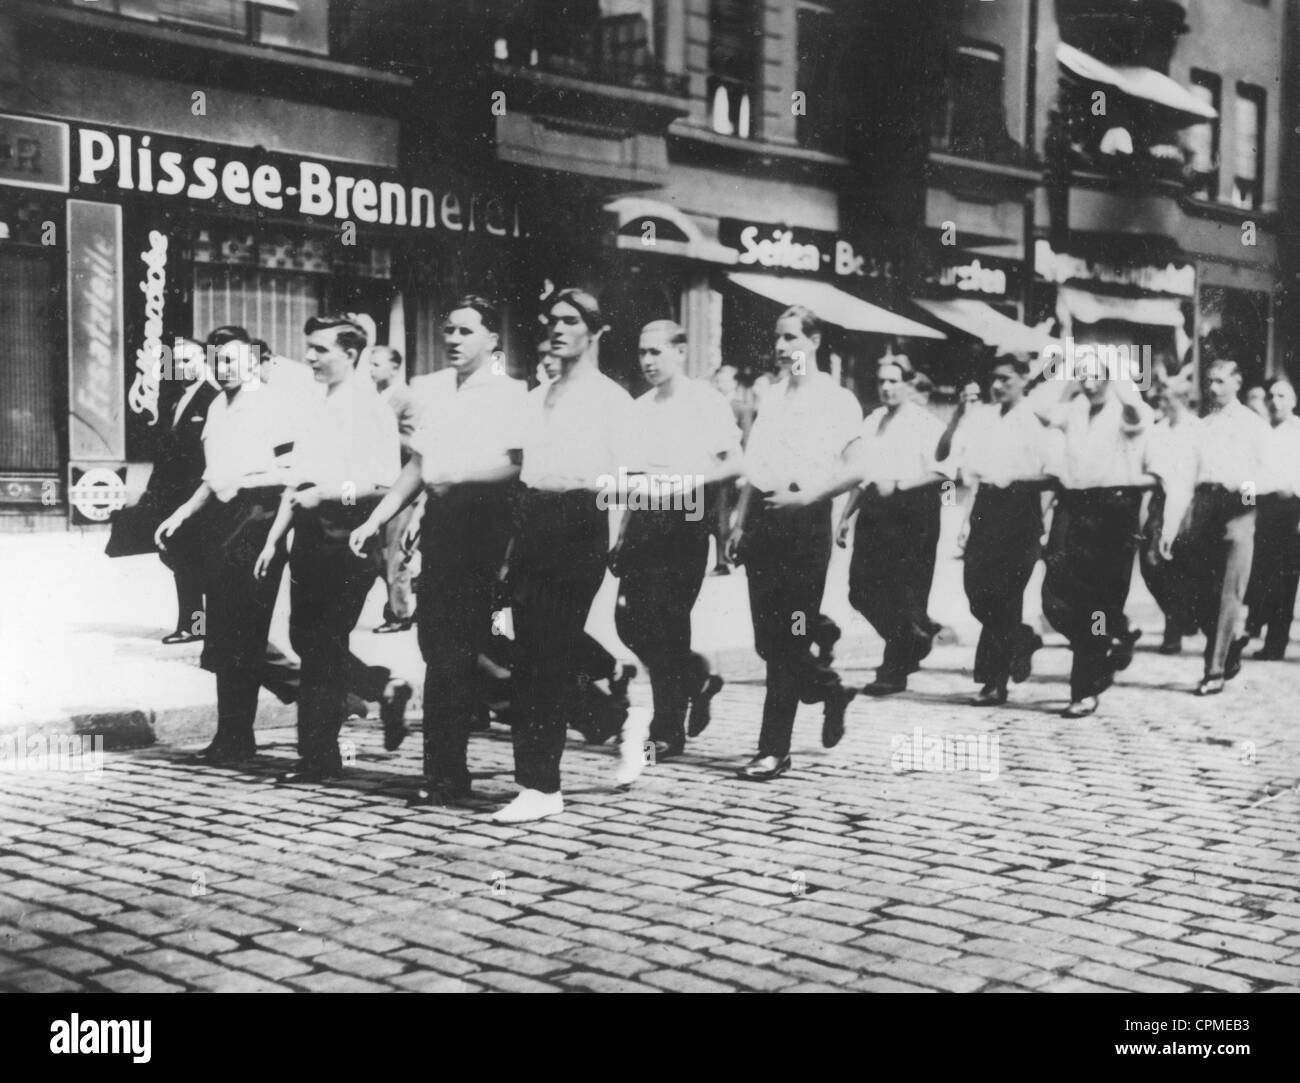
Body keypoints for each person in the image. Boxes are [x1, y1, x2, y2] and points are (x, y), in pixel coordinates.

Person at [351, 297, 527, 806]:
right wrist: (377, 517)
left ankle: (453, 772)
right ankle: (445, 772)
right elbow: (418, 468)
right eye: (448, 330)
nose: (453, 339)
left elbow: (520, 464)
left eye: (466, 331)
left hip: (491, 532)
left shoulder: (511, 394)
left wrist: (461, 478)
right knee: (441, 651)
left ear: (493, 340)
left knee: (468, 653)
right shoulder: (438, 393)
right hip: (445, 533)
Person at [494, 289, 634, 823]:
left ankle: (541, 786)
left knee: (544, 655)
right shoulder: (537, 397)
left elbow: (624, 479)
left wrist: (618, 537)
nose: (555, 329)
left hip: (581, 522)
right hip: (532, 519)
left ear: (595, 332)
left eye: (569, 320)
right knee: (519, 645)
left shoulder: (611, 400)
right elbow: (520, 470)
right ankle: (612, 715)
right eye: (550, 319)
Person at [256, 315, 409, 784]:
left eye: (321, 349)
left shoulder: (372, 410)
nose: (310, 357)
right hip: (307, 536)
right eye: (309, 348)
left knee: (323, 644)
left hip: (349, 537)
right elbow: (296, 479)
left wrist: (327, 495)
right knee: (307, 639)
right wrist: (273, 537)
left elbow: (384, 483)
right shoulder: (317, 404)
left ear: (352, 354)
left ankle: (317, 758)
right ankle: (381, 686)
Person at [727, 306, 859, 781]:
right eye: (778, 338)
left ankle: (773, 750)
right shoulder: (773, 395)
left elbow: (857, 467)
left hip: (805, 528)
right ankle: (829, 687)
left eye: (791, 338)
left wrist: (808, 499)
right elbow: (755, 464)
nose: (781, 348)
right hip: (763, 522)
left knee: (788, 639)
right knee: (768, 640)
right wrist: (740, 522)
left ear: (815, 341)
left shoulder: (838, 400)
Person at [154, 327, 295, 763]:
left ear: (252, 360)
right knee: (221, 633)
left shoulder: (273, 405)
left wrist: (248, 480)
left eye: (232, 359)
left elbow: (292, 471)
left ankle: (245, 732)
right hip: (222, 521)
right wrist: (181, 513)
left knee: (243, 634)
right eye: (216, 359)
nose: (223, 367)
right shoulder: (217, 404)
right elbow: (213, 477)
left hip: (260, 518)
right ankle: (232, 735)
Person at [609, 320, 740, 774]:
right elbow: (633, 477)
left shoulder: (707, 402)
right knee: (628, 622)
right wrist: (623, 533)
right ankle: (694, 677)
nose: (647, 362)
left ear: (680, 351)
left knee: (667, 621)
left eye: (656, 353)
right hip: (644, 520)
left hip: (686, 519)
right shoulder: (639, 407)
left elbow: (734, 463)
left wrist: (687, 482)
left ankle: (668, 729)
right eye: (642, 353)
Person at [1033, 348, 1153, 718]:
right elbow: (1040, 409)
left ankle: (1083, 688)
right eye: (1083, 375)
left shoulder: (1128, 411)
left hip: (1113, 511)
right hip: (1074, 504)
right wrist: (1065, 371)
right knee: (1055, 595)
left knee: (1095, 604)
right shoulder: (1073, 410)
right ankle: (1113, 633)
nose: (1089, 381)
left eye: (1096, 374)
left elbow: (1134, 411)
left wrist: (1115, 373)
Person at [938, 354, 1053, 706]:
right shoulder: (985, 418)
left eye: (1006, 378)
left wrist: (1041, 518)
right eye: (995, 378)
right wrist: (965, 520)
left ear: (1023, 379)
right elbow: (968, 470)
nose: (998, 385)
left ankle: (993, 681)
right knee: (976, 589)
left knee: (1005, 596)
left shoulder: (1037, 418)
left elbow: (1052, 474)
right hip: (987, 508)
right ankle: (1021, 638)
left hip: (1022, 507)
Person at [834, 354, 951, 696]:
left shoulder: (926, 424)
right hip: (873, 509)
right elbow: (861, 471)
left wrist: (901, 484)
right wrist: (846, 515)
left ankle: (894, 670)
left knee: (900, 591)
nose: (886, 388)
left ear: (909, 384)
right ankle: (917, 633)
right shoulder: (872, 421)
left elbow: (945, 473)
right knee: (860, 591)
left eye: (893, 381)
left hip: (912, 512)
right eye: (881, 381)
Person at [1179, 360, 1270, 695]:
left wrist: (1243, 503)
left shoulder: (1252, 424)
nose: (1213, 388)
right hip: (1205, 504)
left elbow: (1263, 470)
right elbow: (1192, 470)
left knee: (1227, 591)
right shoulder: (1204, 425)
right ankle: (1229, 642)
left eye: (1220, 381)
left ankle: (1213, 670)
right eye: (1210, 381)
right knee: (1198, 587)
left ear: (1237, 381)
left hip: (1237, 508)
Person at [147, 338, 218, 645]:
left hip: (198, 499)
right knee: (181, 562)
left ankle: (196, 626)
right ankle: (194, 624)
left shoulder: (213, 398)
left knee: (192, 565)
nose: (183, 366)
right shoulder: (177, 398)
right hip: (174, 498)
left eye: (189, 359)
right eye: (177, 361)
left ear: (204, 358)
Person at [1139, 360, 1201, 656]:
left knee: (1178, 568)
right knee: (1150, 565)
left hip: (1189, 502)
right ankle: (1183, 616)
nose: (1162, 400)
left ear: (1183, 399)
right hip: (1159, 501)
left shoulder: (1198, 430)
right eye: (1161, 395)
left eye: (1167, 396)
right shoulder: (1157, 429)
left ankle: (1173, 631)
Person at [1244, 377, 1300, 659]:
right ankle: (1254, 628)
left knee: (1286, 579)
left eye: (1282, 396)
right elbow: (1248, 474)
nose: (1275, 401)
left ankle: (1275, 644)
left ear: (1293, 401)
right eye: (1272, 396)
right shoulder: (1259, 432)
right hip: (1261, 510)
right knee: (1262, 574)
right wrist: (1246, 507)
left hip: (1292, 509)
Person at [366, 345, 420, 634]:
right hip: (378, 486)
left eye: (376, 364)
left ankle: (399, 615)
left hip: (402, 488)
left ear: (394, 368)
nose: (370, 370)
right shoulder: (373, 397)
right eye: (370, 364)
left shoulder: (406, 399)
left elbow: (413, 445)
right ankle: (404, 599)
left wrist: (381, 427)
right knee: (378, 555)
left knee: (395, 554)